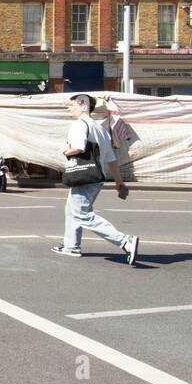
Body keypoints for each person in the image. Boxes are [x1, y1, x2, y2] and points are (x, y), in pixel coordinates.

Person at [53, 95, 139, 264]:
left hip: (82, 176)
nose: (69, 108)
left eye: (72, 105)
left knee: (82, 214)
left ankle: (125, 241)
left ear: (84, 107)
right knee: (72, 210)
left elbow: (78, 147)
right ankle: (71, 246)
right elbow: (111, 158)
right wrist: (119, 183)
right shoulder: (100, 129)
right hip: (95, 177)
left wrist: (64, 150)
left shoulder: (79, 124)